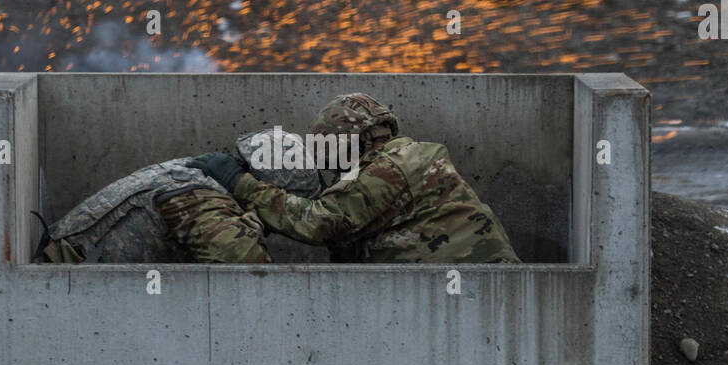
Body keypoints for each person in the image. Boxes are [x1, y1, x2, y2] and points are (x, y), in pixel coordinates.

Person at [187, 93, 521, 264]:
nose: (333, 167)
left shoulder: (395, 167)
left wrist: (238, 181)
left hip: (479, 287)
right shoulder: (404, 161)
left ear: (353, 141)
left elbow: (321, 223)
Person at [38, 128, 319, 264]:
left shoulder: (198, 174)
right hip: (63, 287)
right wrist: (257, 223)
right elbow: (248, 278)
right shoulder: (200, 198)